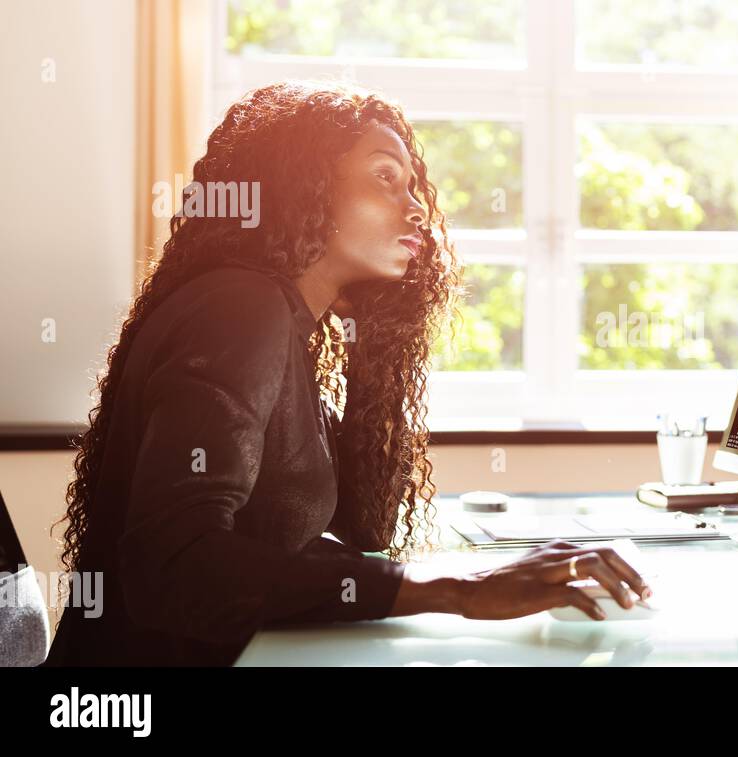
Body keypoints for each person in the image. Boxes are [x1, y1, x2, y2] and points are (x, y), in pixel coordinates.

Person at [42, 81, 648, 666]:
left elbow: (366, 523)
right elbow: (173, 566)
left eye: (413, 187)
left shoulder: (286, 323)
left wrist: (374, 354)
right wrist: (459, 587)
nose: (417, 209)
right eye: (385, 177)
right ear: (300, 187)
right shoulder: (239, 308)